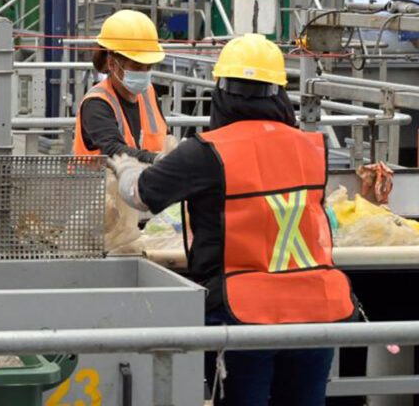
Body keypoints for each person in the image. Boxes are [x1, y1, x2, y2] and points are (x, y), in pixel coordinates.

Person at [111, 34, 357, 405]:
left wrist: (125, 167)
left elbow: (142, 195)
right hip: (316, 306)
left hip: (246, 309)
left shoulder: (207, 152)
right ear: (278, 91)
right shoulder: (312, 145)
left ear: (221, 90)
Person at [73, 9, 167, 163]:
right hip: (97, 185)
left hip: (142, 182)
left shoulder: (148, 93)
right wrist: (157, 159)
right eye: (137, 66)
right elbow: (113, 150)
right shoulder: (96, 103)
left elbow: (162, 136)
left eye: (148, 67)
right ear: (112, 63)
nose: (144, 73)